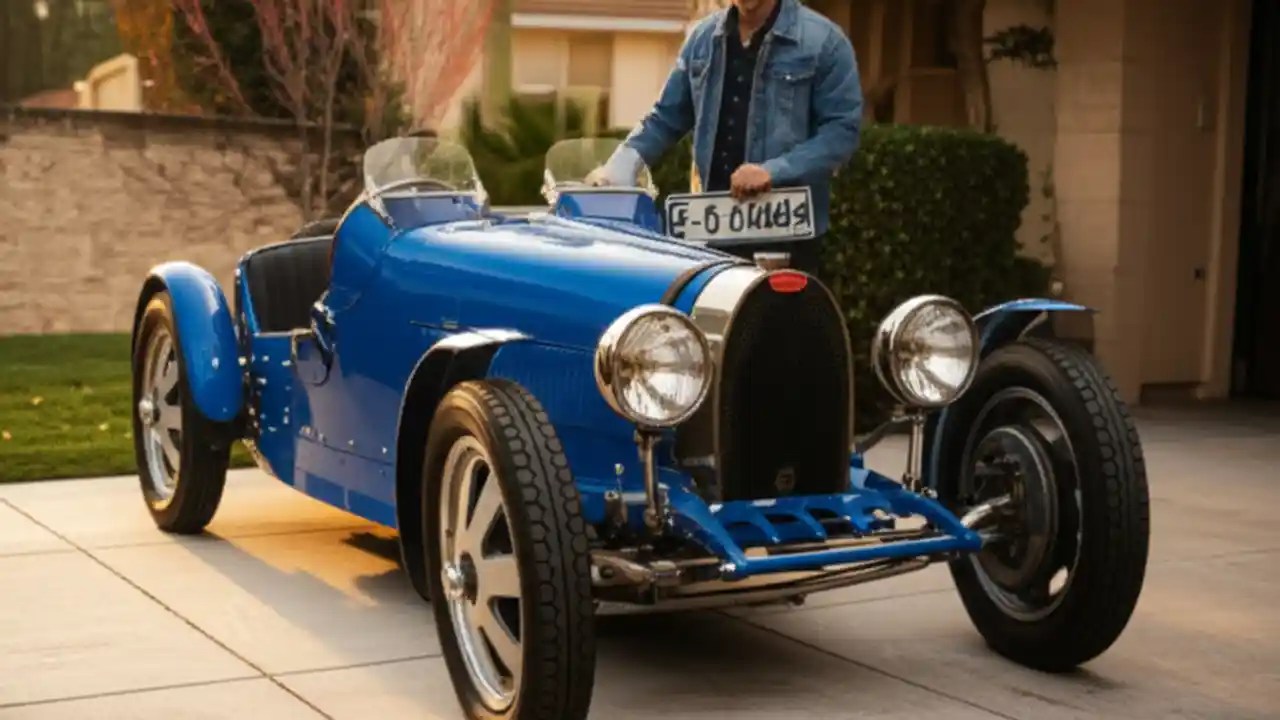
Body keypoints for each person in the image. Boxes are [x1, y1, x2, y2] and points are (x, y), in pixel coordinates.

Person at [594, 0, 862, 275]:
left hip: (786, 242)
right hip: (711, 237)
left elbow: (841, 132)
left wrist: (772, 171)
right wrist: (621, 165)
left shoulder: (825, 41)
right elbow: (666, 117)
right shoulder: (702, 38)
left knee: (778, 304)